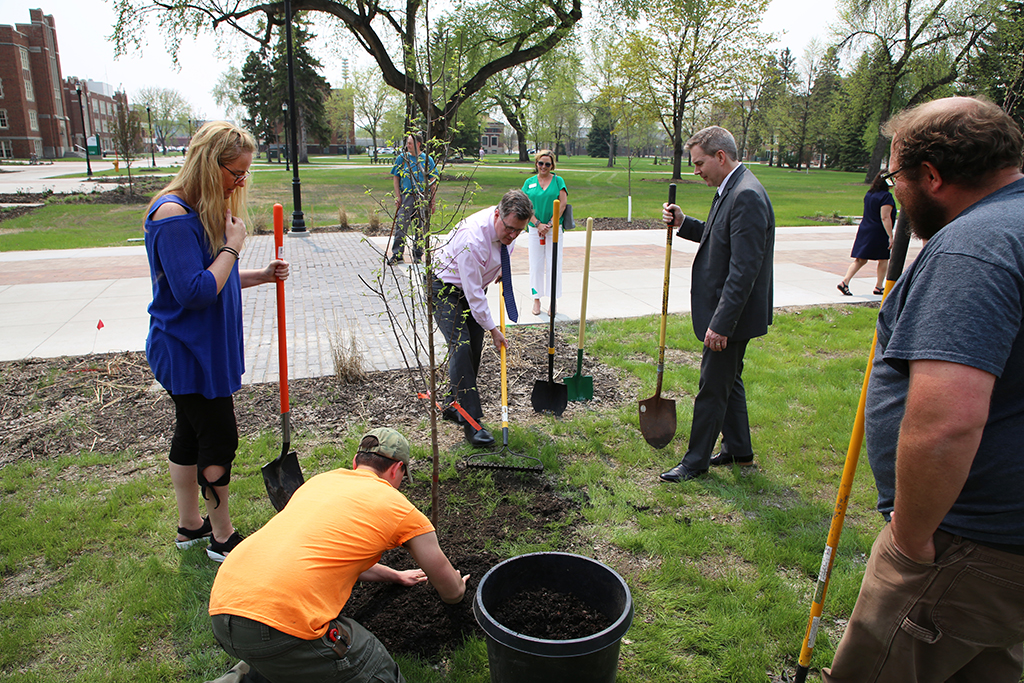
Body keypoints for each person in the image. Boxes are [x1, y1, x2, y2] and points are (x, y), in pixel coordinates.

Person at [824, 97, 1024, 682]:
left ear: (931, 176)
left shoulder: (974, 248)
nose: (896, 191)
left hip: (964, 547)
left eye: (896, 177)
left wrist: (910, 545)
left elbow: (946, 423)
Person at [209, 428, 469, 683]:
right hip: (281, 620)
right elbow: (450, 590)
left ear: (356, 462)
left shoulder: (320, 482)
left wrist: (395, 575)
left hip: (224, 606)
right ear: (396, 469)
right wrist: (458, 589)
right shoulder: (399, 507)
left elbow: (326, 554)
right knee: (375, 665)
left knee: (277, 656)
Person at [145, 121, 290, 562]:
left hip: (203, 347)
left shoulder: (196, 210)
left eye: (246, 173)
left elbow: (215, 279)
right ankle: (222, 539)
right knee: (219, 438)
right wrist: (233, 245)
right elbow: (194, 291)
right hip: (187, 351)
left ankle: (190, 527)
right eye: (236, 172)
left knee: (190, 434)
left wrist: (259, 275)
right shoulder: (172, 216)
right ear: (211, 164)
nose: (241, 182)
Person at [659, 126, 775, 482]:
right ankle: (739, 450)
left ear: (720, 156)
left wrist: (721, 323)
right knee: (729, 381)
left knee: (712, 387)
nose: (696, 171)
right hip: (729, 311)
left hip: (732, 316)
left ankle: (695, 462)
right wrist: (684, 223)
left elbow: (744, 269)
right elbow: (719, 237)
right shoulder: (732, 188)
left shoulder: (746, 195)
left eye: (699, 163)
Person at [431, 189, 532, 447]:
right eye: (510, 229)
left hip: (469, 286)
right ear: (497, 215)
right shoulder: (473, 239)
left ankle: (453, 405)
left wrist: (499, 268)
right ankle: (471, 422)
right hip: (444, 289)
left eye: (519, 231)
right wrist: (493, 329)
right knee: (461, 346)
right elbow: (474, 295)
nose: (513, 235)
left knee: (473, 349)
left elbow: (500, 252)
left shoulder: (506, 229)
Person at [521, 149, 570, 317]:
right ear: (536, 164)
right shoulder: (529, 182)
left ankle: (553, 300)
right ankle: (536, 299)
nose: (543, 166)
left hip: (553, 229)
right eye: (541, 163)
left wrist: (549, 224)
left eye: (547, 164)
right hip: (535, 229)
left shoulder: (558, 181)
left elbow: (562, 204)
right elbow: (524, 206)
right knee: (535, 265)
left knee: (553, 264)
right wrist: (537, 223)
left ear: (552, 165)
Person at [837, 171, 896, 296]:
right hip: (878, 231)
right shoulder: (886, 197)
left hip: (865, 228)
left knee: (860, 259)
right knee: (883, 259)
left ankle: (845, 281)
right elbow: (885, 217)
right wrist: (890, 236)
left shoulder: (870, 194)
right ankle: (879, 286)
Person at [387, 133, 438, 266]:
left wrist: (432, 201)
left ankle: (418, 255)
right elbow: (396, 178)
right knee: (401, 225)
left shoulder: (427, 160)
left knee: (420, 228)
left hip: (422, 197)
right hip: (407, 196)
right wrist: (398, 196)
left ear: (418, 144)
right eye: (407, 143)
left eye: (410, 143)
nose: (407, 145)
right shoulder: (402, 159)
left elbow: (433, 181)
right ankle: (397, 255)